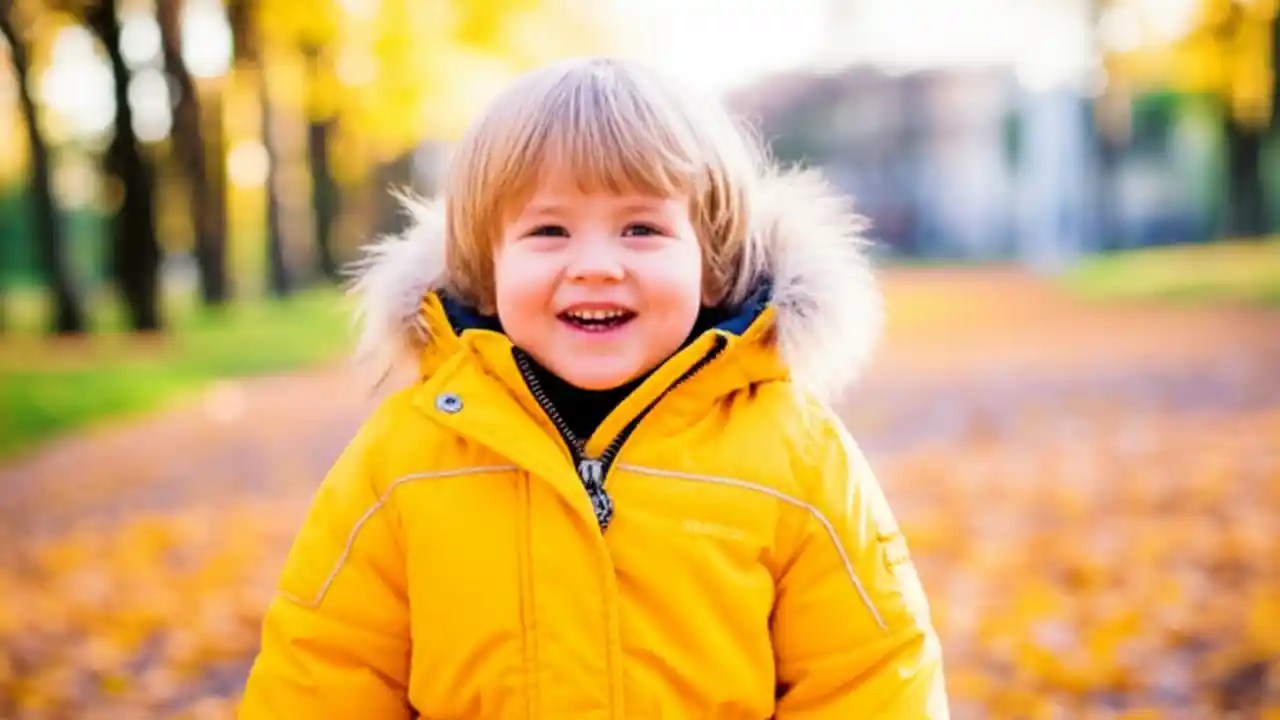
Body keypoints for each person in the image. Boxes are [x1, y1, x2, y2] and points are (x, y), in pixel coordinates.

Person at [239, 56, 948, 719]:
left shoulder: (795, 454)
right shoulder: (406, 456)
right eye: (549, 231)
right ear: (486, 261)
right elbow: (325, 667)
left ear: (713, 257)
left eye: (641, 228)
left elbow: (870, 674)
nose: (597, 266)